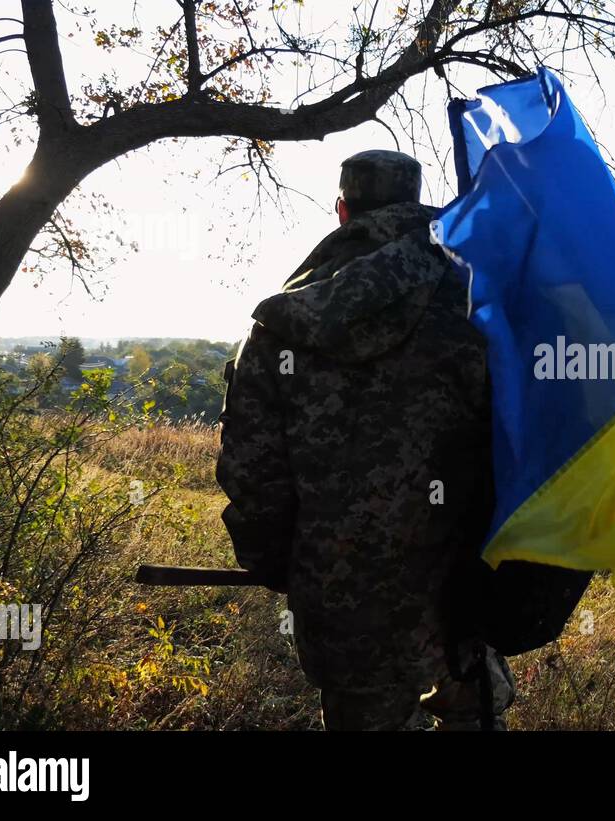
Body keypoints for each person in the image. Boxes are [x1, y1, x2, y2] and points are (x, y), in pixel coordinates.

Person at [216, 149, 514, 730]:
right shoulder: (486, 305)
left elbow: (253, 473)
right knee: (473, 714)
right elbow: (531, 436)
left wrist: (283, 565)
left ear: (342, 211)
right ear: (418, 209)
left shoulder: (282, 325)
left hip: (341, 590)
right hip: (465, 582)